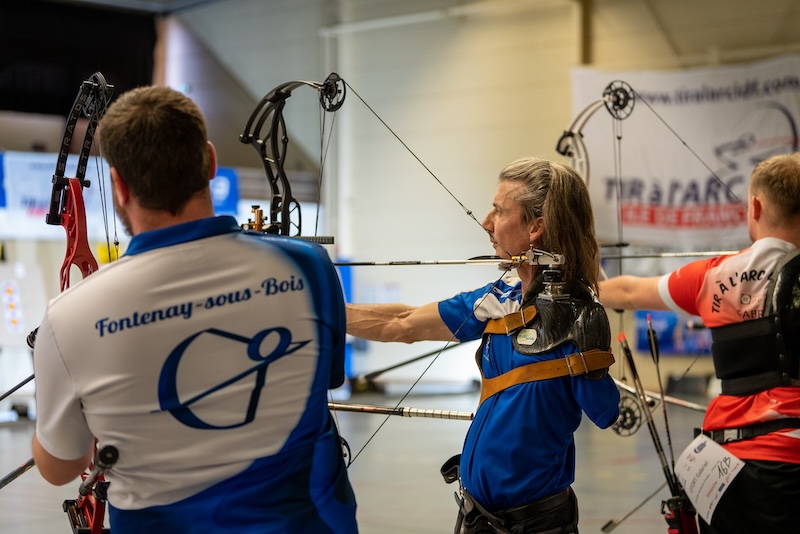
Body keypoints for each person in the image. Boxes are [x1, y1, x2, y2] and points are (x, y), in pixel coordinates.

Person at [31, 85, 358, 534]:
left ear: (119, 185)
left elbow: (58, 467)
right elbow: (322, 382)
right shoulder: (309, 267)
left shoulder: (68, 317)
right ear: (209, 161)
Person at [347, 157, 620, 533]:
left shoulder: (578, 315)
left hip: (536, 523)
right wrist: (318, 307)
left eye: (500, 210)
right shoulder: (498, 297)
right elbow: (403, 322)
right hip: (477, 516)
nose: (487, 222)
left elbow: (605, 412)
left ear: (536, 227)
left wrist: (586, 341)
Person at [598, 153, 800, 533]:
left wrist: (579, 259)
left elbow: (621, 291)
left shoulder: (717, 275)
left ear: (755, 206)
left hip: (729, 472)